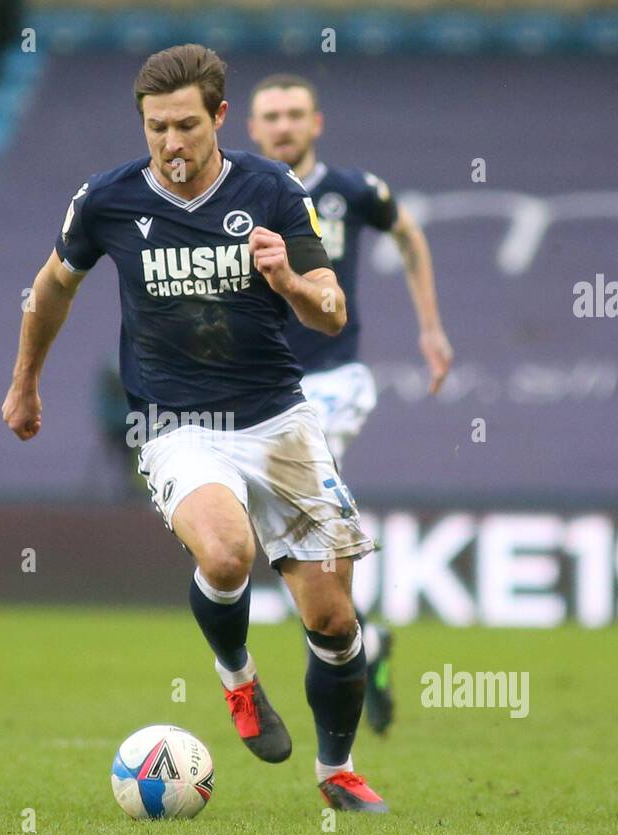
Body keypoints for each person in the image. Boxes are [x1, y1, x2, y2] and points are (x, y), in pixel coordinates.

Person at [3, 46, 387, 811]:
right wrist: (24, 386)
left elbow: (331, 305)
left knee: (334, 619)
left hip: (279, 419)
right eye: (155, 129)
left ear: (218, 117)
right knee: (225, 549)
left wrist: (288, 282)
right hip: (177, 422)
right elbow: (51, 288)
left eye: (185, 126)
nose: (171, 145)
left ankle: (335, 770)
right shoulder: (107, 200)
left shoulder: (272, 189)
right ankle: (238, 679)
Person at [247, 73, 454, 734]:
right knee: (293, 542)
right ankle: (369, 639)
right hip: (262, 389)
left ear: (317, 123)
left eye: (294, 114)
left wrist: (430, 327)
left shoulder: (350, 191)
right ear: (251, 128)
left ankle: (348, 639)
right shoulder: (237, 196)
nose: (283, 125)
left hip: (335, 381)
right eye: (271, 116)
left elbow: (409, 235)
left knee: (297, 504)